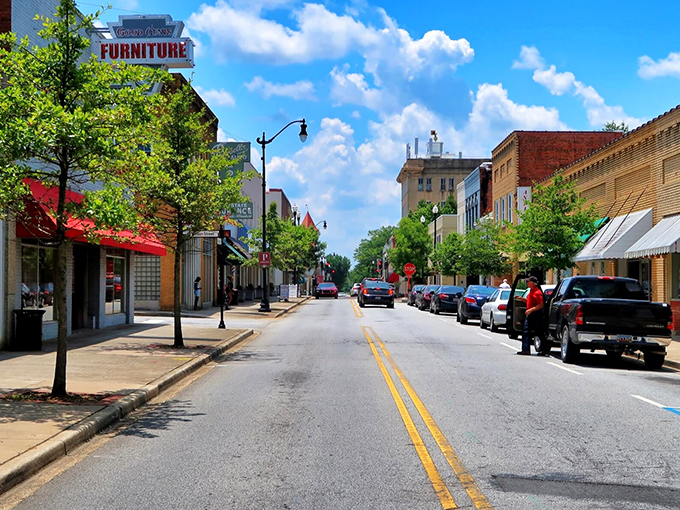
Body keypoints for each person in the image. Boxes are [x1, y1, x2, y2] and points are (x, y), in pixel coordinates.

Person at [517, 276, 549, 356]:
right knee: (526, 332)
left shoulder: (537, 292)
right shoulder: (531, 291)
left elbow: (541, 305)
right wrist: (522, 299)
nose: (527, 283)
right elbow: (530, 301)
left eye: (528, 282)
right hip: (531, 314)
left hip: (536, 314)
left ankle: (545, 350)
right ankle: (526, 350)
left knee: (539, 332)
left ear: (532, 283)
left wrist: (531, 310)